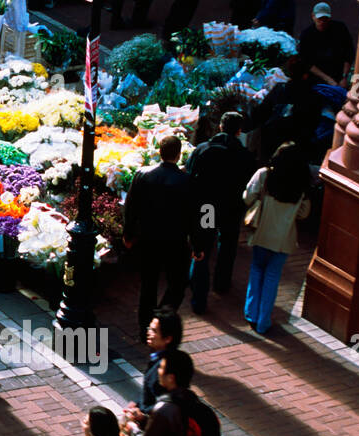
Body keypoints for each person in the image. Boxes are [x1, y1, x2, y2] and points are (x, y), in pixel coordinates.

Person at [123, 135, 204, 333]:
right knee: (178, 284)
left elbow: (130, 207)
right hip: (175, 241)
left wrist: (128, 234)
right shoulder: (187, 181)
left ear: (160, 151)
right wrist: (197, 244)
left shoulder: (143, 174)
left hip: (148, 239)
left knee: (148, 284)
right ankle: (161, 317)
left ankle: (146, 326)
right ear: (178, 155)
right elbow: (196, 216)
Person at [184, 111, 256, 312]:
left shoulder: (203, 150)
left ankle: (199, 298)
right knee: (228, 244)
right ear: (239, 131)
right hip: (231, 209)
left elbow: (190, 179)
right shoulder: (245, 156)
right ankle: (222, 284)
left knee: (203, 248)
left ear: (220, 127)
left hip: (208, 208)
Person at [241, 142, 312, 335]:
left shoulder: (264, 175)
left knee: (257, 271)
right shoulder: (301, 183)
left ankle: (251, 315)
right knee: (272, 278)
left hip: (262, 233)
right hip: (284, 239)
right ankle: (264, 322)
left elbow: (247, 197)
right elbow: (304, 213)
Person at [298, 1, 355, 88]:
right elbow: (306, 62)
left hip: (338, 73)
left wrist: (344, 77)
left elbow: (349, 53)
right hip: (317, 76)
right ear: (313, 16)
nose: (322, 22)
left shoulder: (340, 28)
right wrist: (329, 80)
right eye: (320, 19)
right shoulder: (306, 35)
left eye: (325, 19)